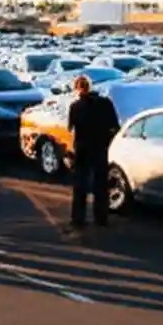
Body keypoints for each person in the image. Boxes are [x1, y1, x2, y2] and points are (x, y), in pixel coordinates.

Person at [67, 75, 120, 228]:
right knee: (101, 184)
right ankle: (101, 217)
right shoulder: (105, 103)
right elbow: (114, 126)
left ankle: (78, 218)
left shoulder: (76, 106)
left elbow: (71, 128)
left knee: (80, 184)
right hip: (100, 147)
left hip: (82, 148)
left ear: (77, 89)